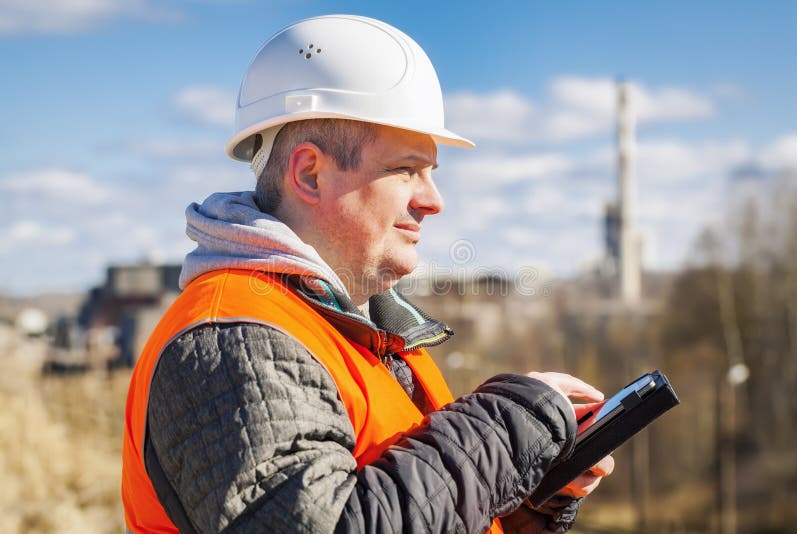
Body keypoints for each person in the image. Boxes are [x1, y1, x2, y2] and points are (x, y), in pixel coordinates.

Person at [121, 14, 613, 534]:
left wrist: (526, 500)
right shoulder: (235, 341)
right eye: (405, 170)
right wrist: (504, 431)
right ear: (310, 172)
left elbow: (410, 510)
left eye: (430, 173)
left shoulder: (362, 333)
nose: (433, 200)